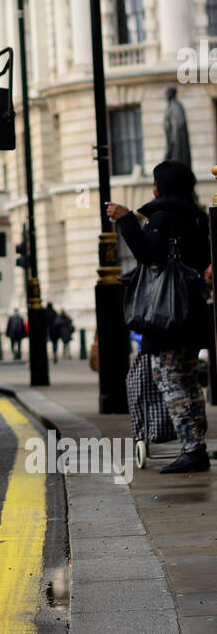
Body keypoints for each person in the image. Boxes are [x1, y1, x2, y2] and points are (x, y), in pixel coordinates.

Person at [108, 159, 211, 473]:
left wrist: (126, 220)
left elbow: (149, 254)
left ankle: (191, 448)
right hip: (192, 312)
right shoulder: (196, 218)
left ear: (159, 187)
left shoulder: (163, 216)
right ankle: (197, 445)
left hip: (167, 314)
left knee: (168, 379)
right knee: (189, 379)